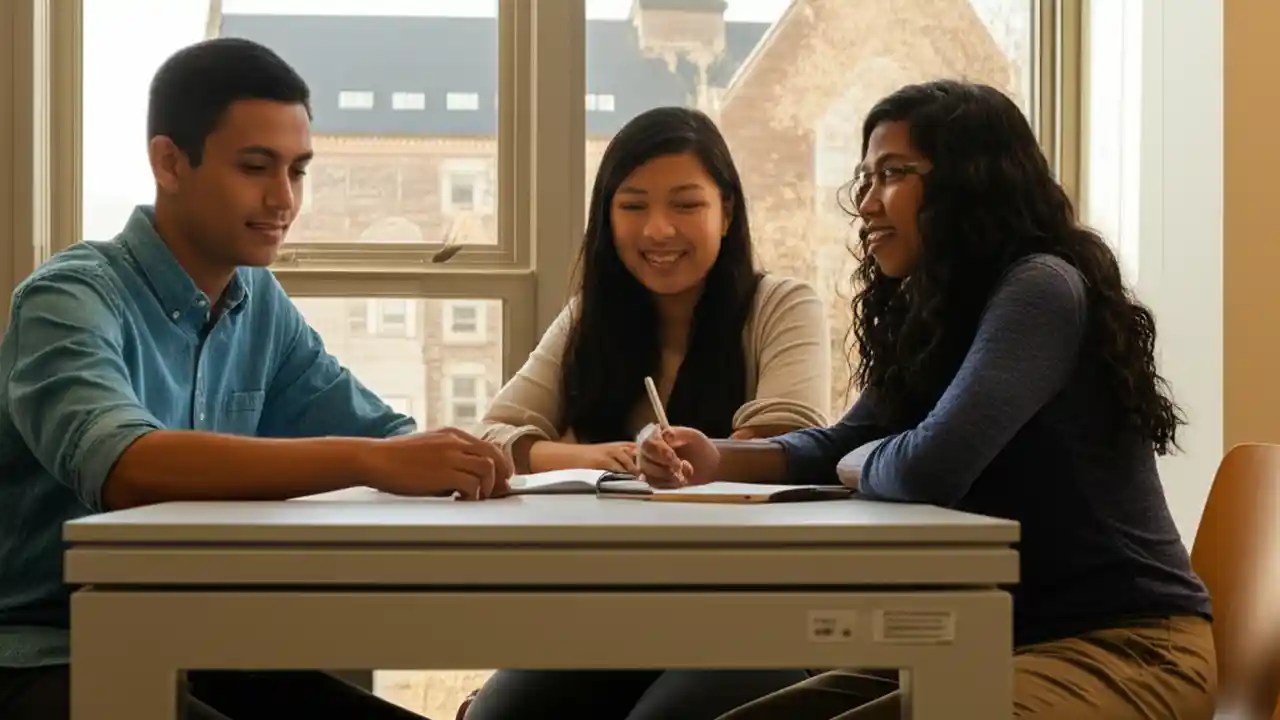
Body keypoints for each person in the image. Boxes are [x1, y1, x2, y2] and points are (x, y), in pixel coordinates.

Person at [639, 81, 1217, 720]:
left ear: (969, 182)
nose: (865, 203)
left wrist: (861, 463)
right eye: (865, 178)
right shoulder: (938, 308)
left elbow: (926, 467)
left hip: (1123, 646)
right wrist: (714, 458)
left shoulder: (1040, 289)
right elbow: (841, 441)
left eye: (892, 174)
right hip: (992, 640)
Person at [0, 37, 510, 720]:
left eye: (298, 170)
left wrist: (459, 459)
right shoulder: (67, 300)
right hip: (43, 652)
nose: (284, 198)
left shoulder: (258, 302)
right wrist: (374, 460)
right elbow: (123, 463)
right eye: (255, 167)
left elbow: (385, 435)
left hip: (200, 639)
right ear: (169, 162)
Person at [465, 107, 829, 719]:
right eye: (632, 206)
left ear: (728, 212)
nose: (658, 230)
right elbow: (493, 434)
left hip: (754, 613)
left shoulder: (780, 304)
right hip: (611, 612)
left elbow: (787, 443)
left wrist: (699, 457)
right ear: (607, 218)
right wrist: (594, 458)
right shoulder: (590, 317)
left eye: (686, 205)